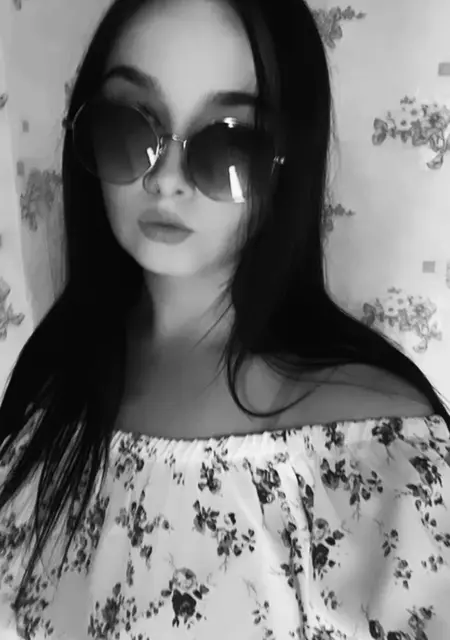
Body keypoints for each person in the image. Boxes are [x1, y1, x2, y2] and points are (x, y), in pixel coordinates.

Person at [0, 0, 449, 637]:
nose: (167, 180)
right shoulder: (49, 382)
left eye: (229, 144)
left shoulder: (380, 458)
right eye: (130, 127)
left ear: (286, 164)